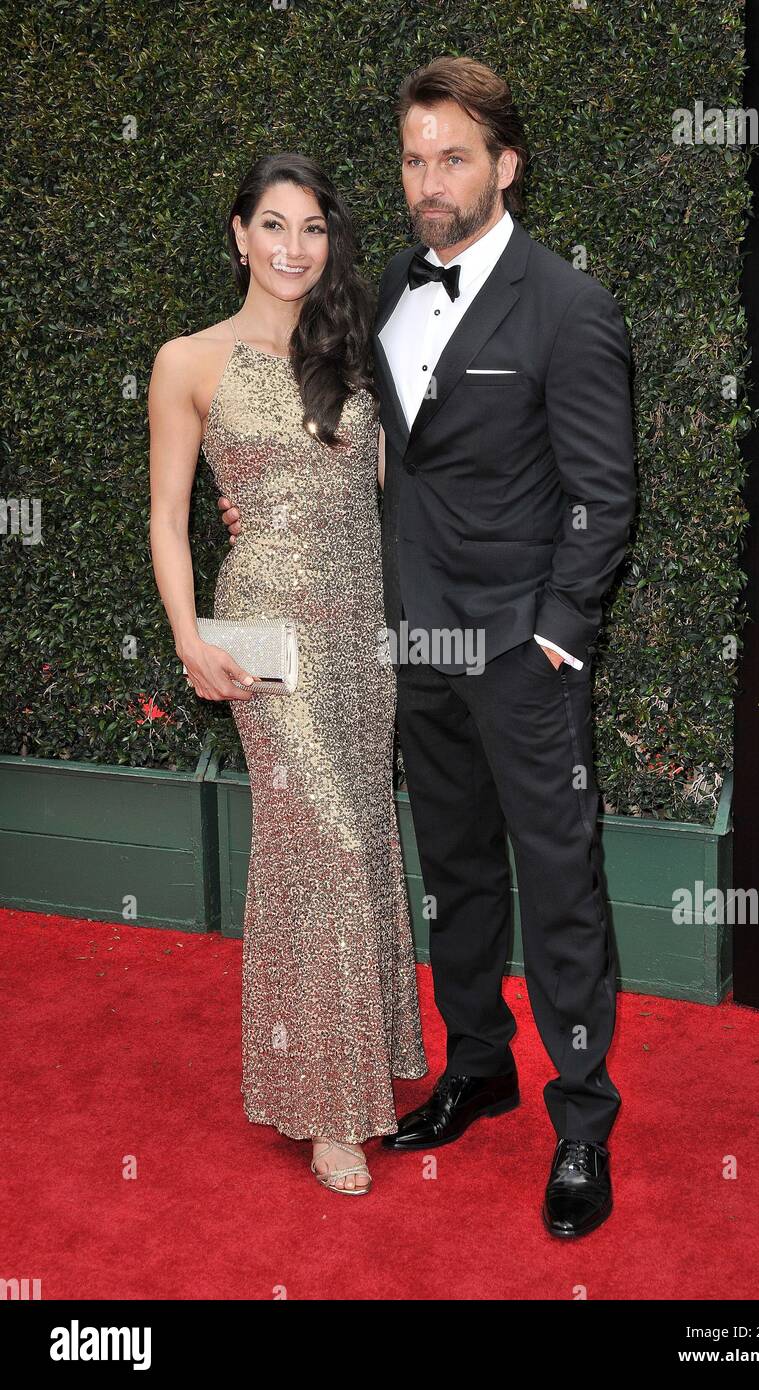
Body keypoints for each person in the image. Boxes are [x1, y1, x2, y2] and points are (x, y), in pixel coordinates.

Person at [219, 57, 636, 1238]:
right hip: (407, 642)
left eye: (452, 155)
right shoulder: (388, 283)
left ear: (504, 166)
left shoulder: (567, 307)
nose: (427, 179)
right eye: (412, 157)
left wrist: (560, 637)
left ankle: (581, 1122)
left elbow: (604, 498)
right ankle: (477, 1064)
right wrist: (255, 500)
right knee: (455, 879)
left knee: (556, 888)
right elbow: (324, 425)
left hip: (520, 653)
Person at [148, 152, 427, 1196]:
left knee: (352, 844)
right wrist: (185, 636)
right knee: (323, 837)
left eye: (311, 228)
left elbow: (406, 485)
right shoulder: (187, 361)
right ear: (237, 234)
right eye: (272, 225)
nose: (292, 247)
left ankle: (355, 1065)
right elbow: (166, 514)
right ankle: (325, 1111)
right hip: (265, 633)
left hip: (363, 627)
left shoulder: (353, 352)